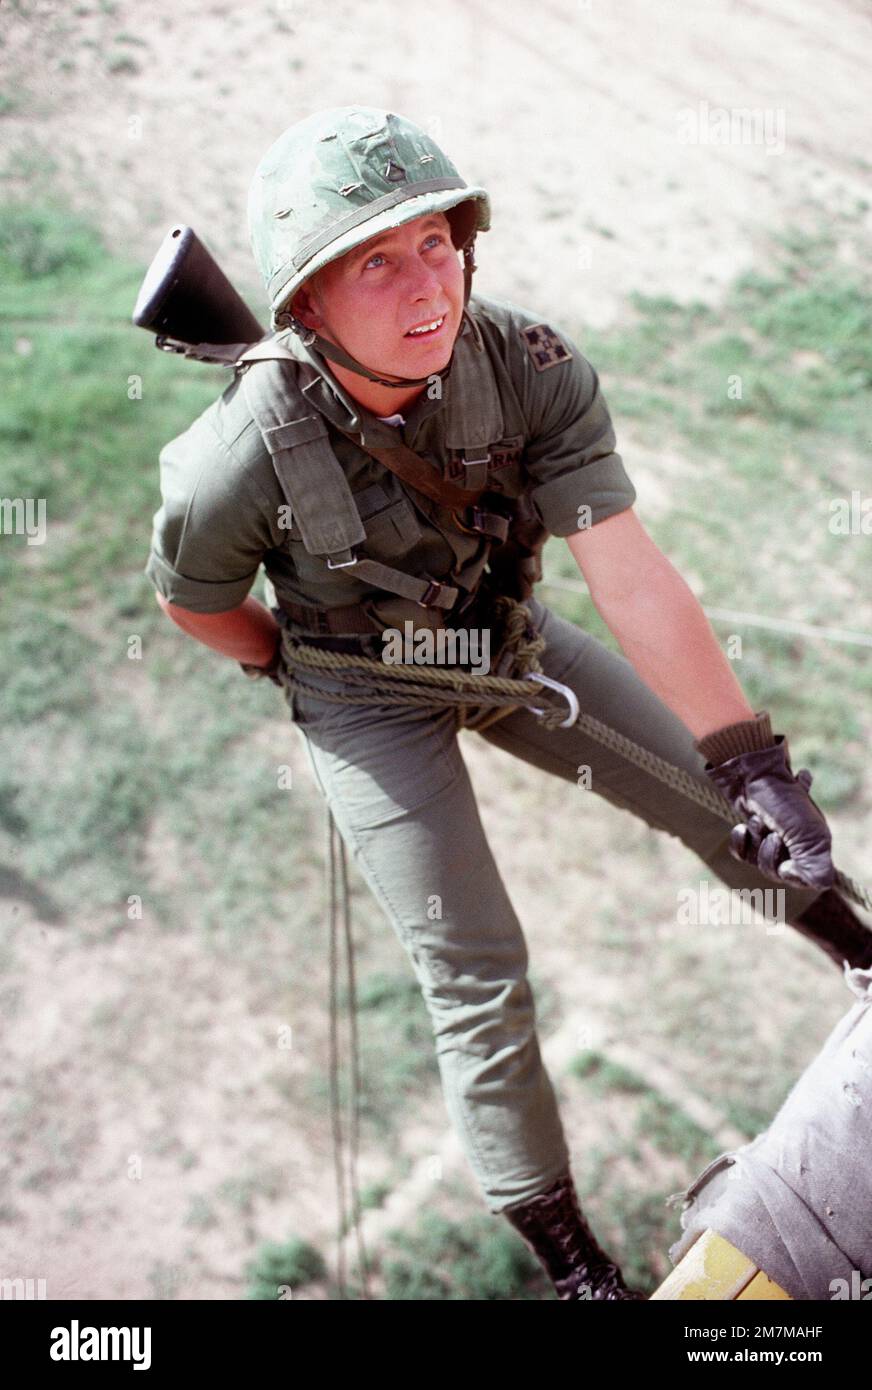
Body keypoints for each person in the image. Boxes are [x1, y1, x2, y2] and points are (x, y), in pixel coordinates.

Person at [144, 106, 872, 1301]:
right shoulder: (238, 456)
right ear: (307, 304)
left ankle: (856, 950)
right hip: (365, 702)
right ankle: (576, 1267)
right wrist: (286, 666)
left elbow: (625, 569)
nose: (423, 282)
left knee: (718, 810)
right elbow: (195, 600)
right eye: (373, 260)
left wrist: (753, 766)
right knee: (477, 967)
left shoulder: (524, 369)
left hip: (504, 648)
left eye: (435, 241)